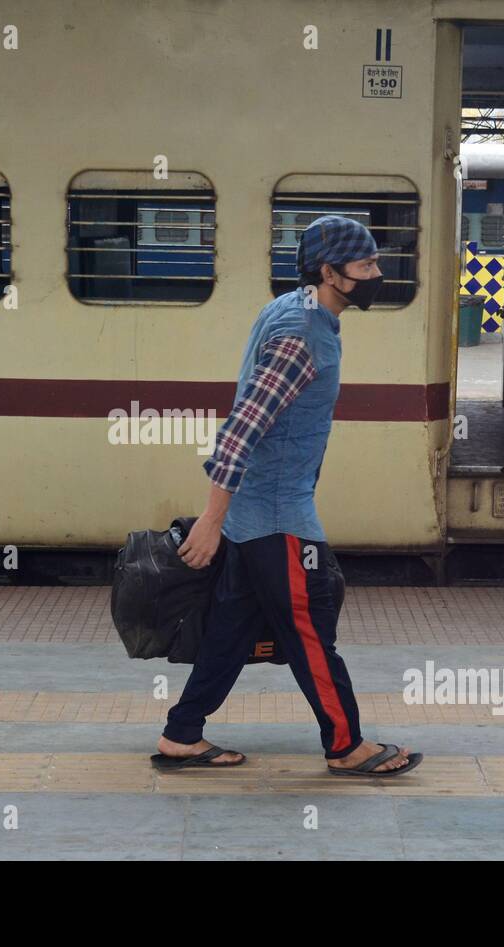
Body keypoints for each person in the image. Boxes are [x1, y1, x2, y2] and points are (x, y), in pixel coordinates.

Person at [153, 215, 423, 777]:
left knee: (231, 630)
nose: (378, 274)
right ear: (330, 273)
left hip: (258, 517)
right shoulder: (303, 338)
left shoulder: (292, 307)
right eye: (366, 266)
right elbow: (243, 428)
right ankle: (346, 746)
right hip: (278, 517)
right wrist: (209, 519)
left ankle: (182, 733)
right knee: (311, 630)